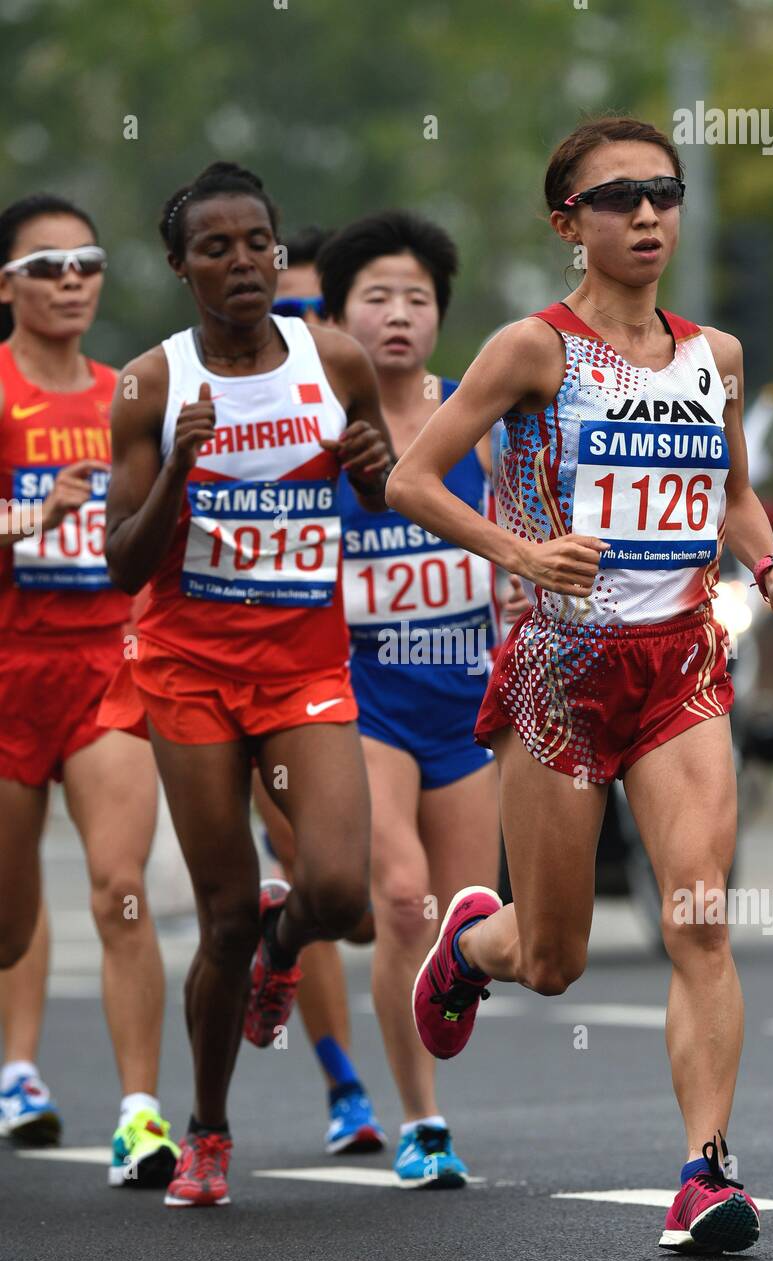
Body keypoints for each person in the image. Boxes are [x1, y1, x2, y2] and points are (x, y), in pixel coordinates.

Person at [387, 116, 773, 1252]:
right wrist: (522, 554)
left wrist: (772, 574)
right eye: (617, 197)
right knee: (554, 960)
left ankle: (705, 1175)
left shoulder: (715, 355)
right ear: (566, 223)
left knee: (699, 920)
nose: (645, 214)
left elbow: (731, 494)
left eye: (663, 193)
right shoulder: (531, 349)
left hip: (680, 665)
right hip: (559, 671)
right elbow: (412, 480)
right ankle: (473, 945)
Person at [99, 162, 394, 1208]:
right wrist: (179, 470)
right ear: (179, 266)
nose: (243, 263)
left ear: (277, 251)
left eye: (257, 243)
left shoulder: (336, 358)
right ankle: (209, 1129)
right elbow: (122, 565)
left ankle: (285, 946)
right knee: (223, 917)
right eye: (215, 248)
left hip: (304, 665)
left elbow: (378, 488)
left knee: (340, 893)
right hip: (189, 672)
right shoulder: (150, 385)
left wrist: (371, 467)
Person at [317, 210, 503, 1187]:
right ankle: (421, 1122)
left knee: (459, 929)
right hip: (364, 701)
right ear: (337, 314)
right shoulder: (315, 428)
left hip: (466, 705)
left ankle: (430, 1055)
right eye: (376, 298)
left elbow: (536, 528)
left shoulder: (481, 416)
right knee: (399, 898)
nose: (397, 315)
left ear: (440, 313)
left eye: (417, 299)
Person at [0, 195, 176, 1187]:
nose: (71, 280)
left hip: (107, 667)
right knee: (9, 915)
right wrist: (30, 516)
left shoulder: (128, 394)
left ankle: (138, 1115)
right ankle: (16, 1068)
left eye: (87, 261)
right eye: (46, 265)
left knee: (120, 887)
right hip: (8, 668)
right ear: (7, 286)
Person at [250, 222, 385, 1156]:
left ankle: (282, 935)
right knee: (320, 876)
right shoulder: (245, 423)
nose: (301, 326)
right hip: (287, 679)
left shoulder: (392, 411)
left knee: (378, 909)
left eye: (317, 310)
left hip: (402, 685)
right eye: (284, 308)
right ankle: (345, 1087)